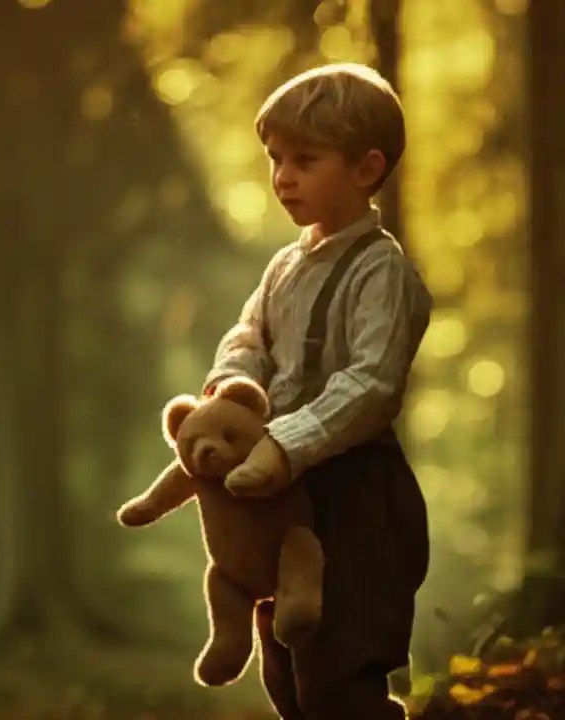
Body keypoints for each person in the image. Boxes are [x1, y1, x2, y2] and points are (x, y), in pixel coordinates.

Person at [205, 62, 432, 719]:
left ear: (365, 169)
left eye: (305, 159)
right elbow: (248, 335)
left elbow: (372, 383)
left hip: (354, 491)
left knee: (341, 664)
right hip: (283, 496)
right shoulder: (285, 266)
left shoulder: (380, 270)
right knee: (286, 660)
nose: (282, 176)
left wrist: (284, 442)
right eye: (276, 158)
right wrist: (236, 388)